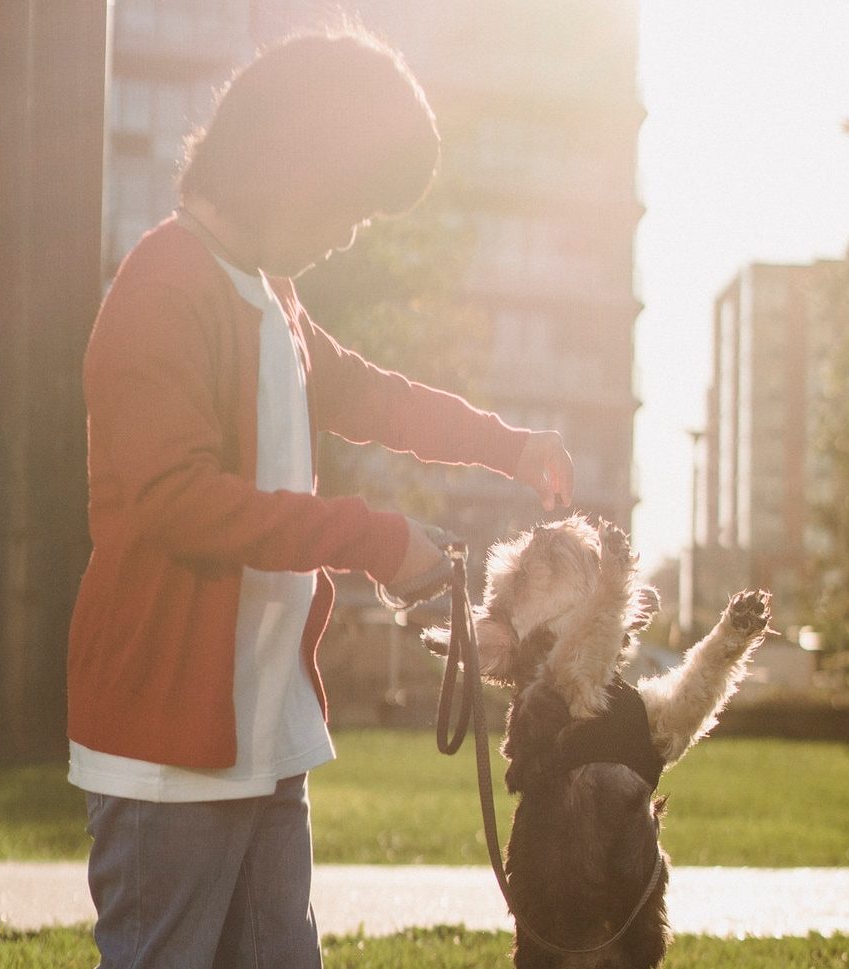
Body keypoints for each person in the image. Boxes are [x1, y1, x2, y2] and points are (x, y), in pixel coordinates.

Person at [65, 22, 573, 969]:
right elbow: (184, 501)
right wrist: (375, 539)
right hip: (169, 752)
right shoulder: (161, 288)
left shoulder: (273, 299)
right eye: (349, 202)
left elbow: (375, 395)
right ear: (289, 163)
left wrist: (510, 447)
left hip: (265, 738)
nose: (348, 233)